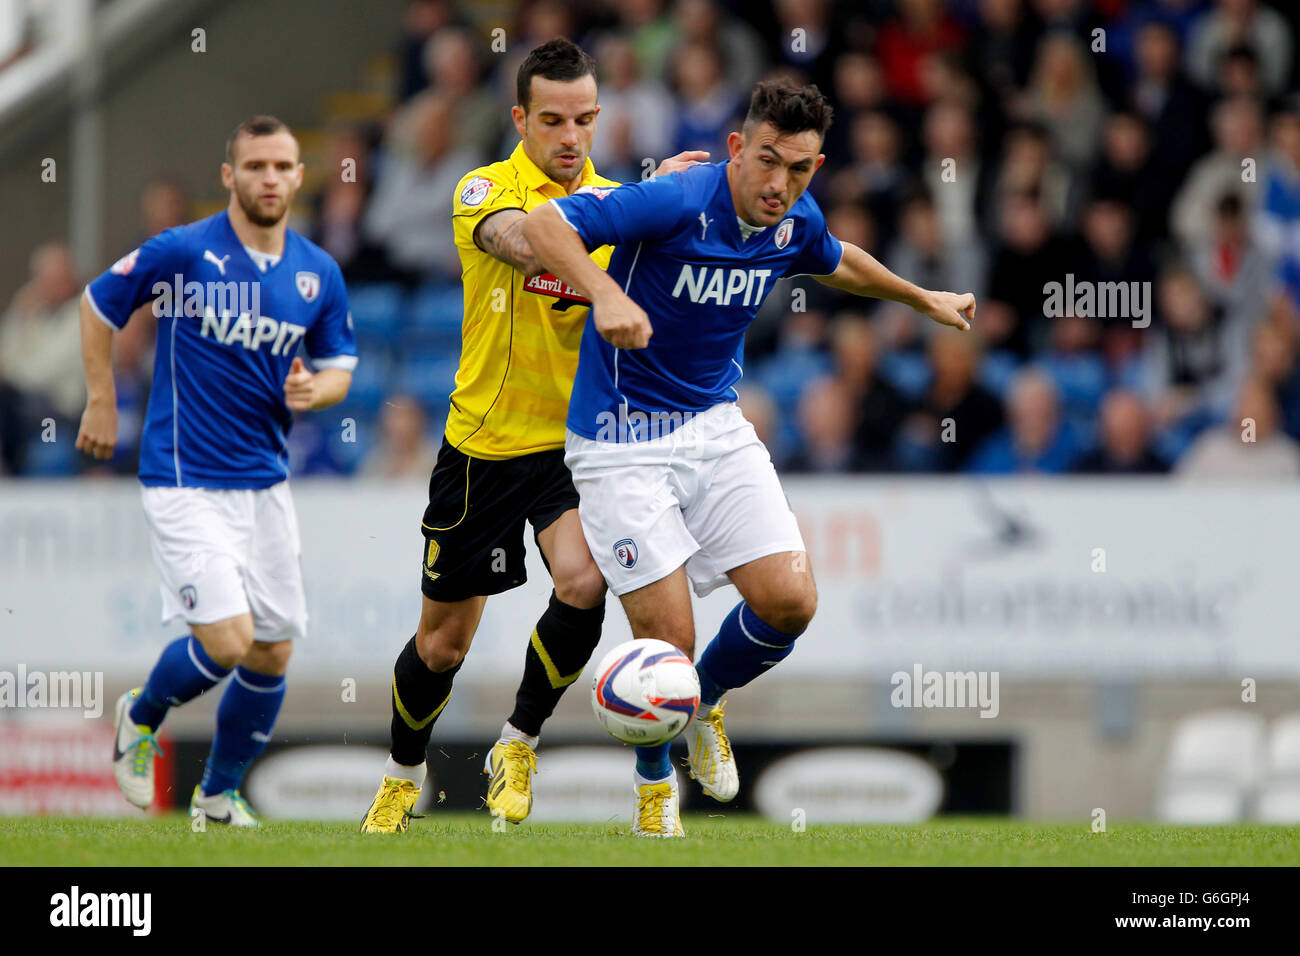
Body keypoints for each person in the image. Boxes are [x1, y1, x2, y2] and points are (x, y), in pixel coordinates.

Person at [523, 79, 973, 836]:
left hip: (713, 425)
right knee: (668, 637)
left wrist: (920, 297)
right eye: (768, 161)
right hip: (619, 438)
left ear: (815, 166)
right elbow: (543, 223)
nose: (780, 184)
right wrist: (603, 293)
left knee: (790, 602)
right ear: (737, 148)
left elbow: (836, 261)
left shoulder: (793, 218)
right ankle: (655, 795)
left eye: (799, 169)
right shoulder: (675, 201)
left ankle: (700, 703)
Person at [360, 38, 705, 833]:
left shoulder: (622, 202)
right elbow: (524, 243)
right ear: (520, 118)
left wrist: (694, 196)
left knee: (584, 582)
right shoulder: (484, 189)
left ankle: (517, 742)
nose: (571, 137)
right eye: (552, 120)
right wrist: (645, 203)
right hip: (480, 445)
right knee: (443, 645)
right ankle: (403, 771)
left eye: (585, 119)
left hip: (572, 447)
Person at [78, 116, 357, 825]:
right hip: (183, 477)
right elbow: (96, 303)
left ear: (300, 176)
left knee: (271, 651)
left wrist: (313, 391)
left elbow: (340, 369)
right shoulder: (185, 252)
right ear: (229, 176)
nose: (271, 177)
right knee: (228, 642)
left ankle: (221, 797)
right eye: (256, 165)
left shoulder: (317, 271)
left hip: (263, 483)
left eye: (283, 166)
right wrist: (103, 400)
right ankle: (140, 718)